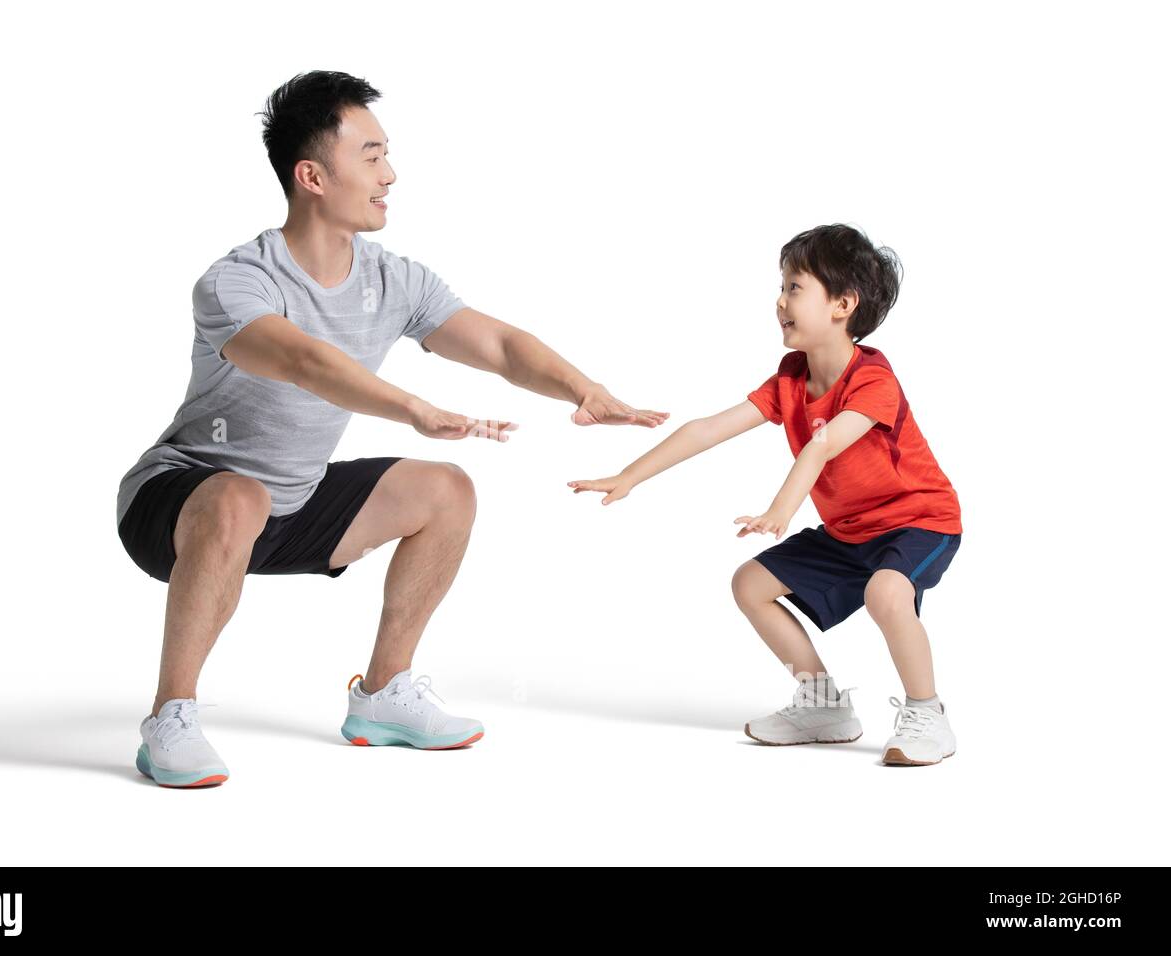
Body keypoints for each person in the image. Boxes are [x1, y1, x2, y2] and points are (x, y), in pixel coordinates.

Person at [116, 71, 668, 787]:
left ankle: (383, 696)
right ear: (312, 175)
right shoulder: (238, 282)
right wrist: (413, 408)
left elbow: (499, 346)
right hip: (177, 504)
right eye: (372, 157)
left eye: (387, 155)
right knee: (237, 497)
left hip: (292, 501)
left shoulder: (391, 278)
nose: (390, 175)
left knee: (445, 489)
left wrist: (586, 390)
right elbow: (303, 361)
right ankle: (171, 720)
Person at [568, 224, 963, 766]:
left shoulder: (874, 380)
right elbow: (708, 428)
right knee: (751, 583)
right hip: (850, 532)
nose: (780, 301)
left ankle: (927, 713)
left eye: (795, 287)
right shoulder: (791, 378)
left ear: (843, 304)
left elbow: (821, 446)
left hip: (919, 522)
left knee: (887, 595)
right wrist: (629, 475)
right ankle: (823, 705)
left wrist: (780, 511)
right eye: (781, 287)